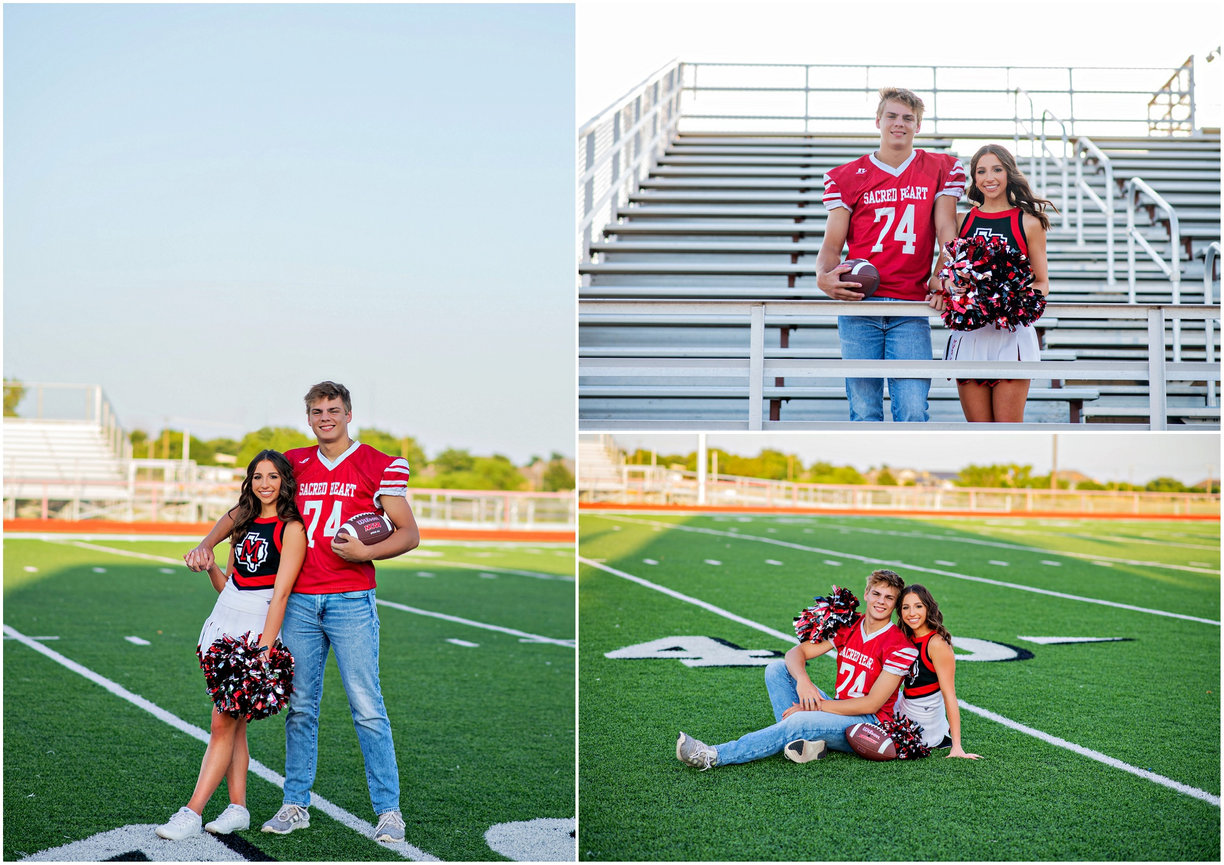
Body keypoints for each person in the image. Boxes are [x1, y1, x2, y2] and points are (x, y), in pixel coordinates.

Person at [185, 381, 421, 843]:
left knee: (367, 706)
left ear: (349, 413)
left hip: (351, 598)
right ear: (308, 417)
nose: (325, 417)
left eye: (333, 409)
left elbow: (408, 533)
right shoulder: (292, 462)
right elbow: (247, 507)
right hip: (296, 601)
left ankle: (388, 810)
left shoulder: (378, 464)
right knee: (301, 707)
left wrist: (360, 554)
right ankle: (296, 803)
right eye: (316, 411)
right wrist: (207, 543)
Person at [156, 450, 306, 840]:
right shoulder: (243, 517)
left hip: (254, 635)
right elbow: (230, 587)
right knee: (234, 726)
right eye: (258, 476)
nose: (265, 484)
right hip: (221, 626)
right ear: (250, 481)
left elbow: (281, 594)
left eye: (273, 476)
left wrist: (266, 649)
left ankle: (191, 811)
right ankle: (238, 807)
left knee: (222, 721)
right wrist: (210, 566)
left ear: (284, 481)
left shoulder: (290, 529)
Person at [816, 87, 967, 422]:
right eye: (892, 116)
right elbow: (831, 245)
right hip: (860, 304)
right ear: (878, 121)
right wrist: (823, 276)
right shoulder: (848, 175)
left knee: (913, 409)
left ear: (918, 126)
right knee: (865, 409)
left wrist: (944, 271)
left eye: (908, 118)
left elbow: (947, 232)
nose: (899, 124)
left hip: (909, 307)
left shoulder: (940, 168)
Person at [676, 570, 917, 769]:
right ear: (866, 594)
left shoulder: (899, 645)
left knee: (800, 719)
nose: (880, 602)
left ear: (895, 604)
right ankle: (804, 742)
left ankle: (712, 755)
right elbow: (796, 653)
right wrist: (803, 681)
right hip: (837, 707)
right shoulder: (851, 624)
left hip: (866, 723)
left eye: (889, 598)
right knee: (777, 669)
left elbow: (871, 705)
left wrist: (812, 707)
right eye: (876, 594)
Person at [936, 144, 1052, 422]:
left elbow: (1042, 282)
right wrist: (950, 288)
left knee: (1008, 432)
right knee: (978, 432)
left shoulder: (1029, 222)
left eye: (997, 169)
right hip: (970, 335)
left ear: (1009, 173)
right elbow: (937, 276)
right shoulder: (961, 222)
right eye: (982, 171)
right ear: (974, 179)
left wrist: (1009, 302)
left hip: (1011, 336)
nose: (990, 177)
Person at [894, 584, 981, 759]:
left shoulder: (937, 644)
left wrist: (957, 746)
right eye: (906, 607)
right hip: (906, 705)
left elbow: (949, 695)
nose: (912, 613)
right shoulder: (905, 636)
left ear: (928, 608)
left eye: (918, 606)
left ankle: (944, 736)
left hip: (923, 722)